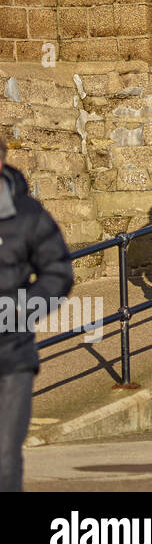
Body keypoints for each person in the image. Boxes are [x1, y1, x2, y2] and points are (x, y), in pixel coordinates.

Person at [0, 134, 74, 492]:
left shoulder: (27, 214)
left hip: (10, 357)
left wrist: (18, 312)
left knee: (3, 457)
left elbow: (58, 273)